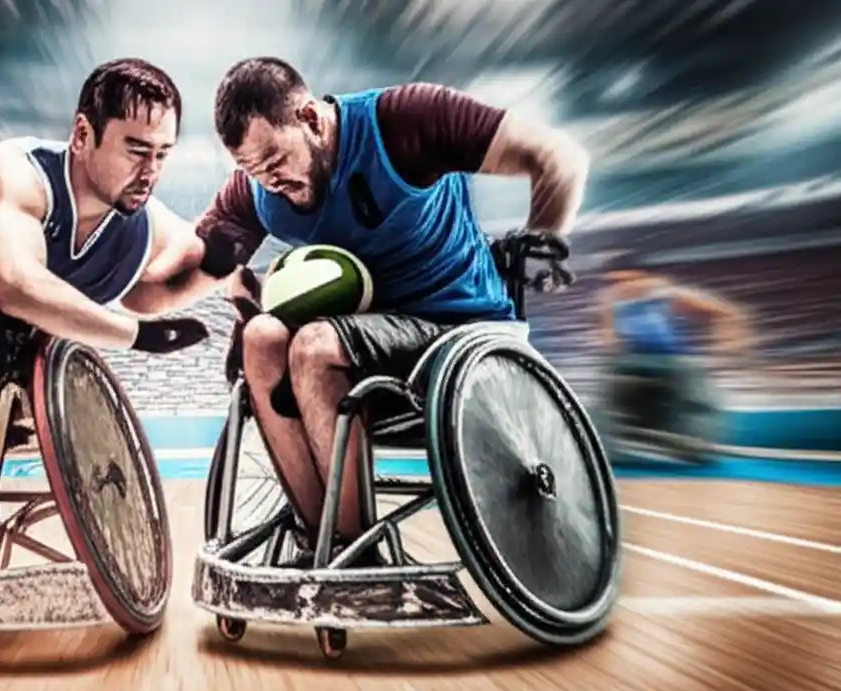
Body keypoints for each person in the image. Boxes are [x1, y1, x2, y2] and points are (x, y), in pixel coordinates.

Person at [175, 57, 593, 561]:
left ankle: (356, 550)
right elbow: (204, 259)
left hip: (456, 328)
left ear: (309, 119)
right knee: (261, 340)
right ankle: (322, 541)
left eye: (275, 161)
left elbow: (559, 157)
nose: (268, 181)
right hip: (366, 343)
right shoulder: (257, 189)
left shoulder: (405, 121)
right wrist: (237, 294)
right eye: (251, 170)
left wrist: (543, 243)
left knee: (312, 345)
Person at [0, 58, 236, 572]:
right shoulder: (16, 170)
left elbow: (179, 277)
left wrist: (231, 282)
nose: (150, 172)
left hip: (5, 377)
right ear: (83, 133)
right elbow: (15, 287)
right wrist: (136, 337)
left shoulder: (143, 223)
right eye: (135, 150)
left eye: (162, 154)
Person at [598, 267, 753, 458]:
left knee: (691, 375)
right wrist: (611, 346)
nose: (621, 286)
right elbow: (608, 336)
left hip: (671, 363)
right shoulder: (611, 301)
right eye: (614, 282)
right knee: (609, 375)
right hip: (634, 363)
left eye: (627, 280)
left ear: (644, 277)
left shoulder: (667, 294)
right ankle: (618, 435)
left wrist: (728, 341)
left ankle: (695, 441)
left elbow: (726, 312)